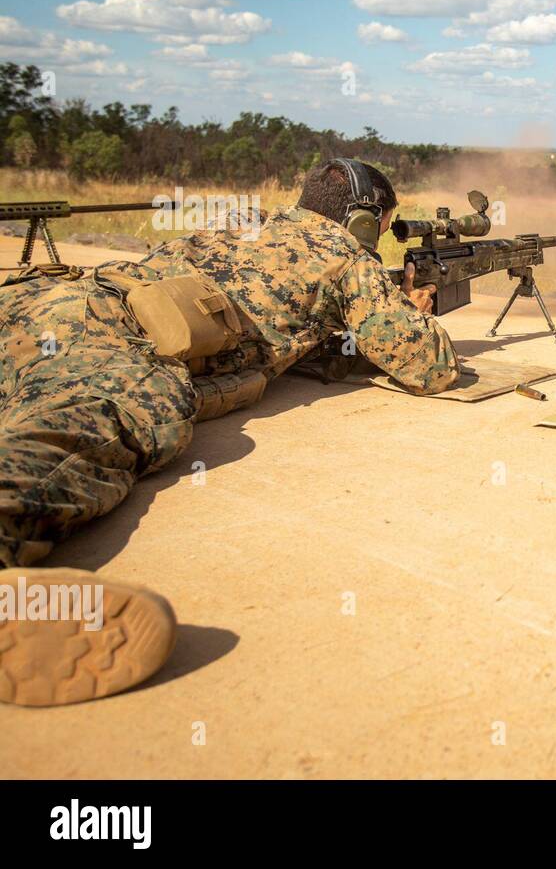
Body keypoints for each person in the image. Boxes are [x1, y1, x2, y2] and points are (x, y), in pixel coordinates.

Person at [0, 160, 458, 706]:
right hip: (104, 339)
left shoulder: (246, 221)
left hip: (34, 302)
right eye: (384, 226)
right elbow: (429, 367)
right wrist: (411, 310)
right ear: (363, 222)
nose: (382, 238)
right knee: (106, 417)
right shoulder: (345, 258)